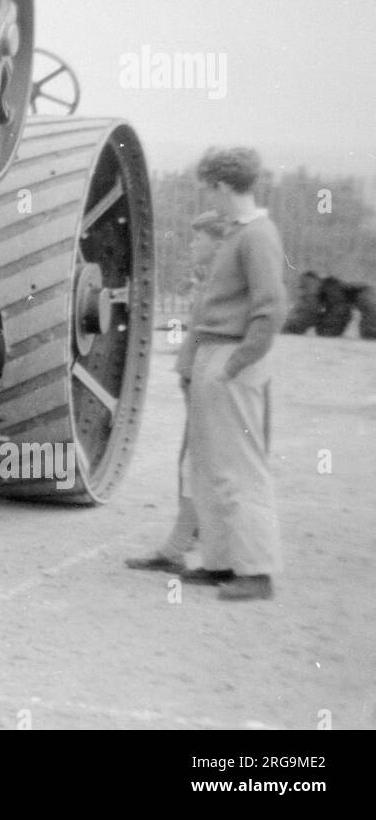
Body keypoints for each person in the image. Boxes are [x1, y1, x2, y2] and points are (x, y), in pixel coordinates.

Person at [183, 147, 288, 601]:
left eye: (209, 187)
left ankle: (257, 571)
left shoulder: (256, 236)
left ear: (223, 186)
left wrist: (237, 362)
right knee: (211, 466)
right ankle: (221, 561)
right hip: (217, 355)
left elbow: (271, 309)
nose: (208, 196)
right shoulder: (240, 233)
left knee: (241, 468)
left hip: (231, 359)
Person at [126, 210, 227, 574]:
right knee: (193, 463)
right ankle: (187, 541)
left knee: (197, 464)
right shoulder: (213, 280)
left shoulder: (222, 284)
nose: (191, 245)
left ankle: (183, 549)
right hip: (197, 380)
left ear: (218, 243)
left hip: (207, 382)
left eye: (198, 238)